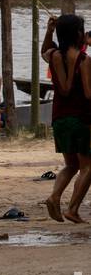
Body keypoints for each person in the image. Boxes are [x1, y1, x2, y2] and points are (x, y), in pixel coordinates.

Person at [42, 13, 91, 224]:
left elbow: (44, 50)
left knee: (71, 165)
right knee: (88, 166)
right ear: (78, 33)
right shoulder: (83, 60)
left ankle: (54, 196)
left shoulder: (53, 55)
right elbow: (89, 94)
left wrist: (49, 30)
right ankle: (72, 209)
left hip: (59, 119)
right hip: (80, 118)